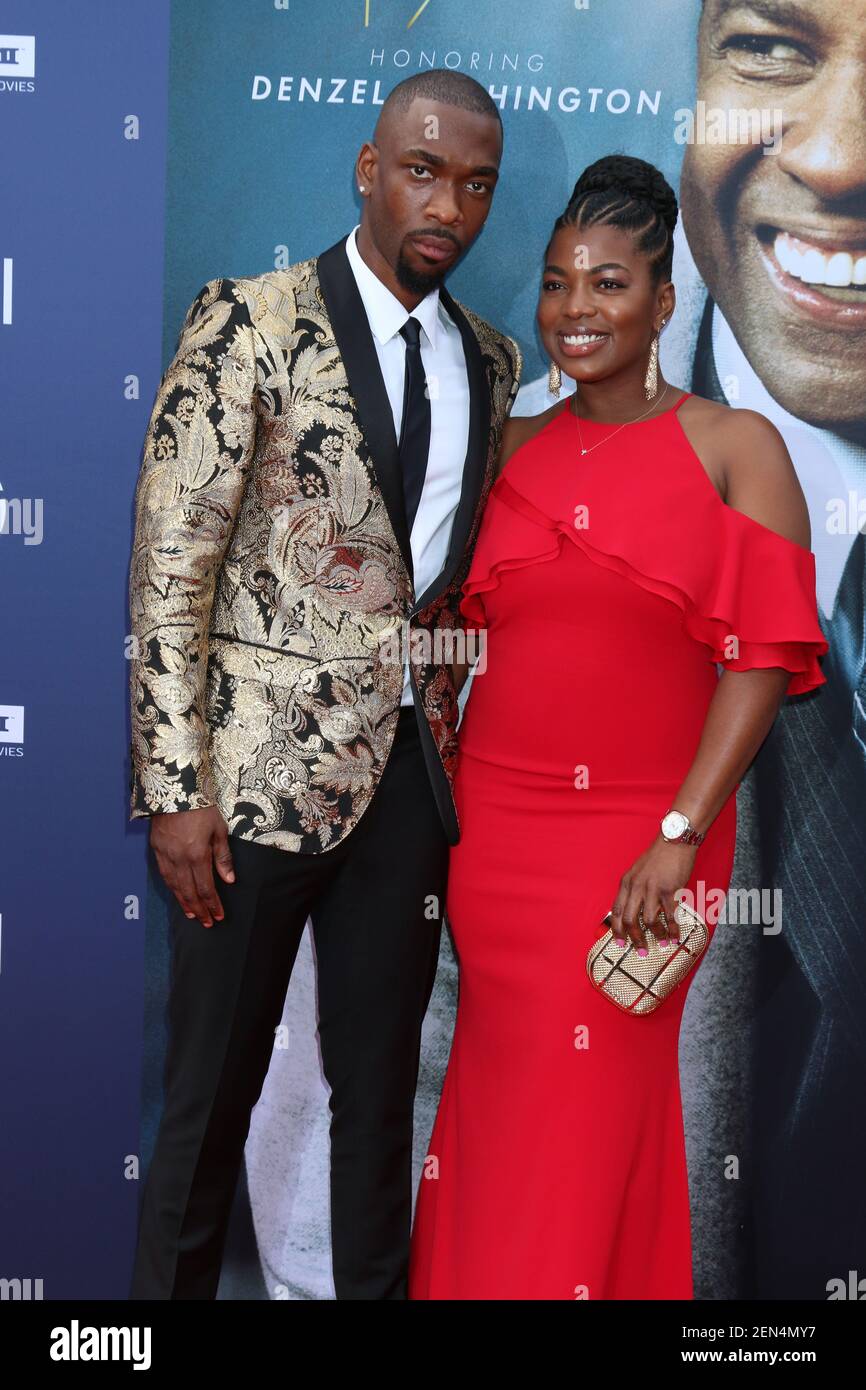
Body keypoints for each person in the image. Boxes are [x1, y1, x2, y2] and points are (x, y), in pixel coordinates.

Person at [126, 68, 521, 1301]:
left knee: (379, 1102)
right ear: (366, 167)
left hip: (406, 788)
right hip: (248, 790)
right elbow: (169, 570)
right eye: (421, 169)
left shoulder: (491, 364)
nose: (444, 202)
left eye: (472, 182)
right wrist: (174, 785)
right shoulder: (248, 318)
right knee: (208, 1100)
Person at [407, 154, 827, 1300]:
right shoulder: (511, 451)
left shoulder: (738, 448)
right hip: (497, 838)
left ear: (661, 302)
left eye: (604, 284)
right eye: (554, 284)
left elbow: (757, 661)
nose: (572, 310)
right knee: (493, 1102)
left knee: (596, 1103)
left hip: (648, 840)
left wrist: (680, 830)